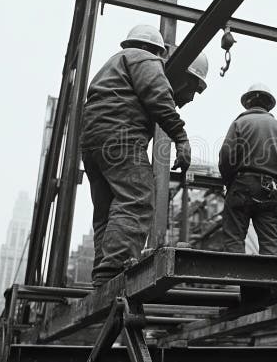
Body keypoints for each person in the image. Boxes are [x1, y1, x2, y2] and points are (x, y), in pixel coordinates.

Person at [81, 24, 209, 286]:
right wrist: (181, 139)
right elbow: (159, 98)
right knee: (137, 198)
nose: (192, 98)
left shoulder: (111, 65)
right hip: (121, 137)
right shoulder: (146, 58)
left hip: (93, 144)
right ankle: (115, 267)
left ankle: (103, 273)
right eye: (194, 88)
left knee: (107, 210)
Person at [219, 83, 277, 255]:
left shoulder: (240, 123)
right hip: (271, 190)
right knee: (270, 246)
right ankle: (270, 281)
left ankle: (235, 281)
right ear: (268, 104)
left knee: (234, 239)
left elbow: (226, 157)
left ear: (248, 103)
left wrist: (229, 184)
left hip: (243, 185)